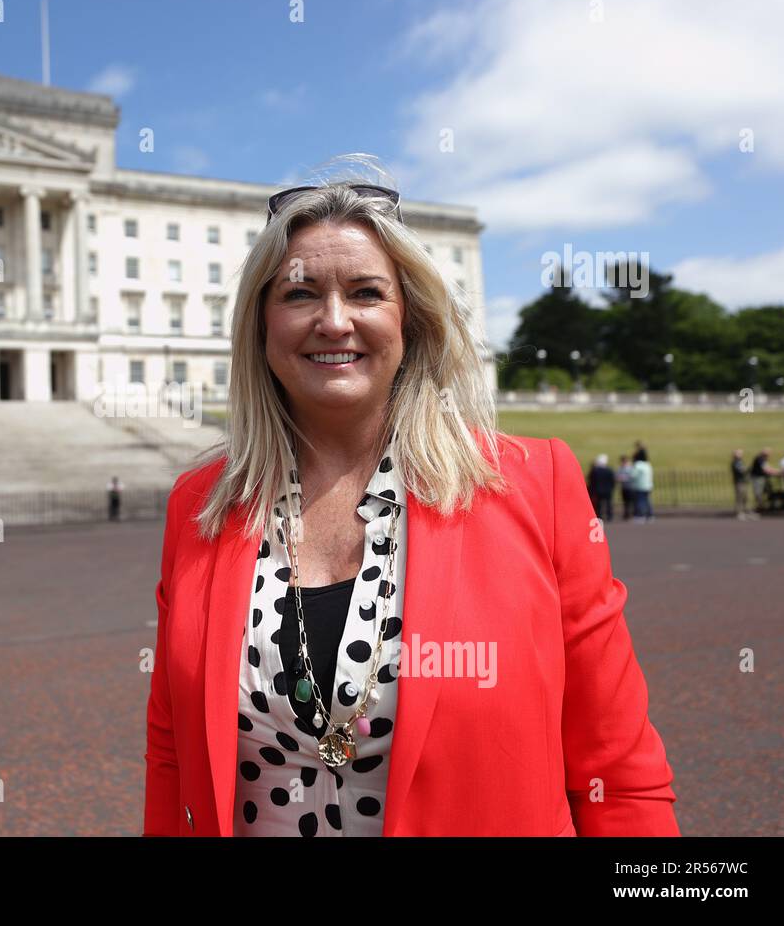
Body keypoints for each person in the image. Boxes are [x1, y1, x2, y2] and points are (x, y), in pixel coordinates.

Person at [143, 163, 678, 837]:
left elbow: (618, 771)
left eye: (366, 292)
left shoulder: (533, 484)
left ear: (411, 319)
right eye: (300, 294)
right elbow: (170, 751)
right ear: (261, 324)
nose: (333, 321)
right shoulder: (201, 505)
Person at [749, 448, 778, 514]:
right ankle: (759, 507)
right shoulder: (760, 459)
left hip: (762, 478)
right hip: (757, 478)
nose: (769, 456)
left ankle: (762, 506)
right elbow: (766, 469)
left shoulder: (763, 459)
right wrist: (776, 472)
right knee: (758, 492)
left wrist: (776, 471)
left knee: (765, 491)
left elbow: (768, 467)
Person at [588, 453, 615, 521]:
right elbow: (612, 480)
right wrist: (611, 487)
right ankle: (609, 516)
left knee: (599, 504)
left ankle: (599, 516)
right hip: (608, 490)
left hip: (598, 490)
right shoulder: (609, 470)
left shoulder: (595, 471)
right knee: (608, 503)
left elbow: (592, 480)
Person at [731, 449, 756, 520]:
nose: (741, 455)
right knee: (739, 498)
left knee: (745, 497)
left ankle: (746, 511)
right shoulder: (735, 462)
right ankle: (739, 513)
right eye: (739, 454)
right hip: (739, 482)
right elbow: (741, 471)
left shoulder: (739, 462)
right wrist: (748, 469)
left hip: (743, 481)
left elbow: (744, 470)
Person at [630, 454, 654, 522]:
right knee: (647, 501)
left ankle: (640, 515)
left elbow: (633, 475)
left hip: (640, 486)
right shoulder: (647, 464)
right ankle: (650, 515)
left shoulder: (637, 465)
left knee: (640, 501)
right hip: (648, 485)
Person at [616, 454, 635, 520]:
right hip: (624, 487)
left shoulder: (630, 468)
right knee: (625, 502)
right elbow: (617, 476)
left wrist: (624, 478)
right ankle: (626, 514)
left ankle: (631, 514)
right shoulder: (620, 468)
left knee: (630, 501)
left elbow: (632, 476)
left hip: (630, 486)